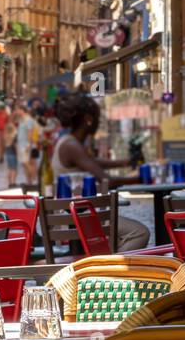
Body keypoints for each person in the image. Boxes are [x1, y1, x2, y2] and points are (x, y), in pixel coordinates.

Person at [51, 94, 150, 251]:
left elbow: (95, 162)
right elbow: (106, 180)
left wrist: (126, 162)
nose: (98, 122)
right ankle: (109, 271)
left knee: (118, 237)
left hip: (74, 215)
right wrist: (140, 179)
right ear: (88, 119)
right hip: (77, 218)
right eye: (98, 118)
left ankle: (105, 265)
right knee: (139, 233)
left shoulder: (70, 142)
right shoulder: (72, 146)